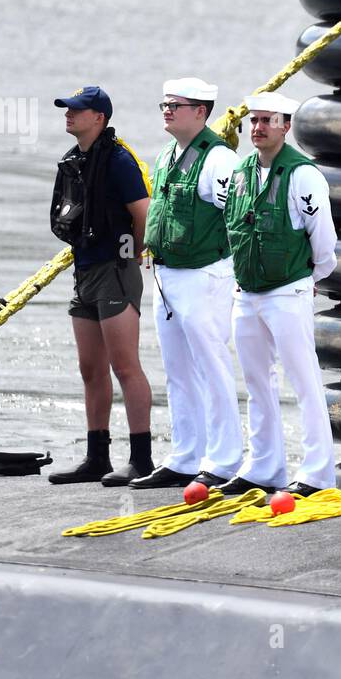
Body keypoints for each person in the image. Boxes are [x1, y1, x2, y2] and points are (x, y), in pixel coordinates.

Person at [216, 92, 337, 498]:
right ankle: (264, 465)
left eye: (267, 120)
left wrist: (305, 279)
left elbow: (324, 244)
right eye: (253, 121)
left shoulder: (303, 176)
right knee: (255, 381)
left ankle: (318, 473)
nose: (258, 128)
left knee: (304, 380)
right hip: (246, 293)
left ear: (286, 126)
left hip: (288, 291)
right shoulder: (240, 172)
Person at [130, 78, 245, 490]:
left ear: (200, 112)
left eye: (175, 105)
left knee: (211, 365)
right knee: (177, 369)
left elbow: (237, 218)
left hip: (205, 275)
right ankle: (184, 456)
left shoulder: (218, 160)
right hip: (167, 275)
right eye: (165, 104)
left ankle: (225, 459)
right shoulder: (165, 156)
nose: (166, 110)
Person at [46, 85, 154, 485]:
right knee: (90, 368)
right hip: (85, 271)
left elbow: (142, 211)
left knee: (124, 365)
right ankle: (97, 457)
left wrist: (135, 252)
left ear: (99, 118)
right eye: (67, 110)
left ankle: (141, 459)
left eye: (77, 110)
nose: (68, 115)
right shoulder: (75, 159)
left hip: (115, 270)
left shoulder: (119, 160)